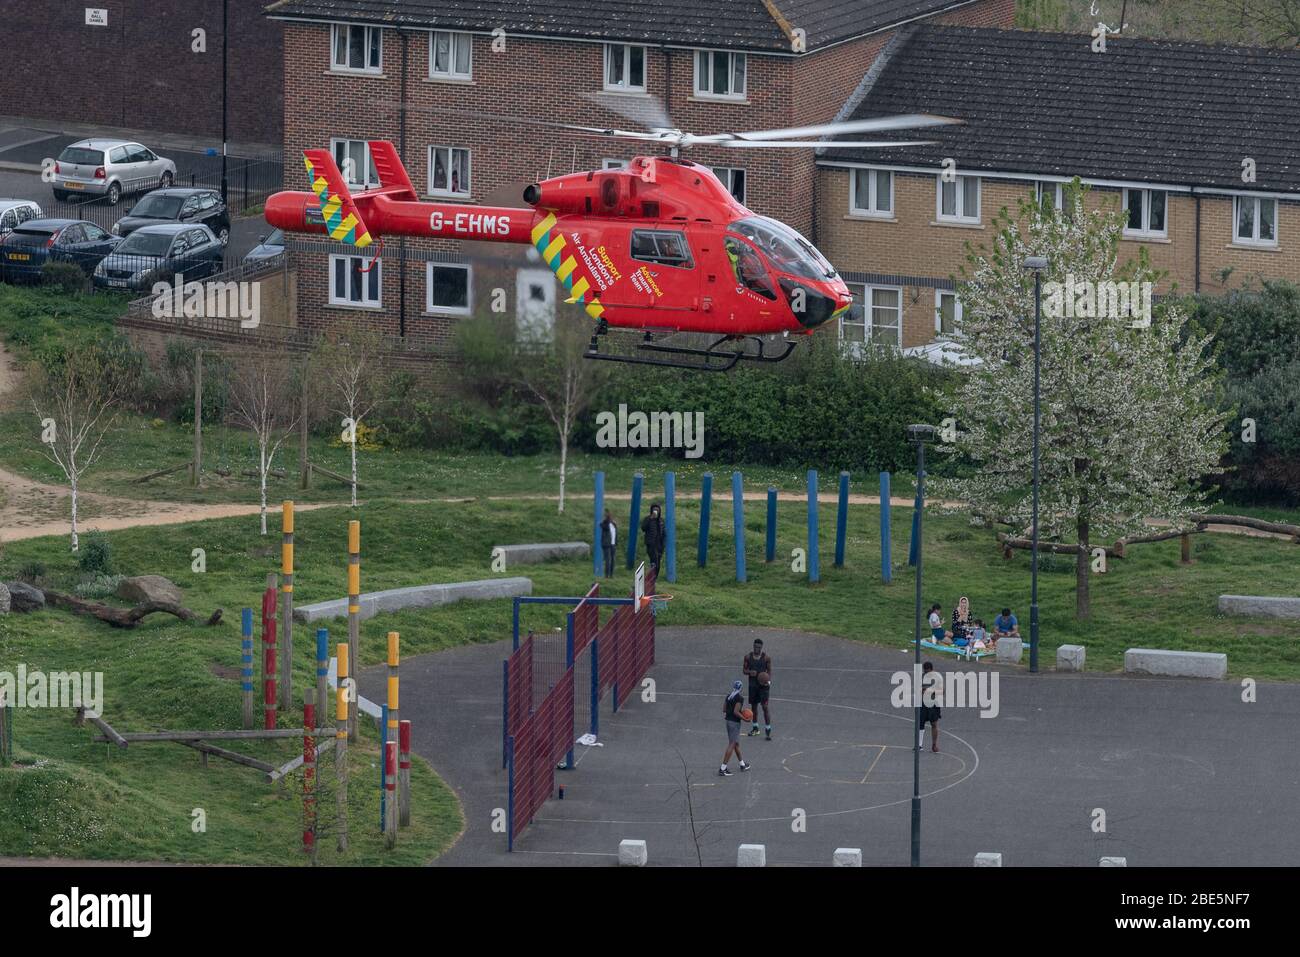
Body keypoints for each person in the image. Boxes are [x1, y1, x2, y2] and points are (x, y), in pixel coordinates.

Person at [742, 638, 773, 739]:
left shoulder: (766, 658)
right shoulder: (747, 657)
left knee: (765, 707)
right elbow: (744, 670)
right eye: (755, 647)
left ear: (761, 647)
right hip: (753, 686)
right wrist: (750, 672)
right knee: (754, 708)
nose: (756, 649)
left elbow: (769, 671)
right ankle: (755, 728)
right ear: (753, 646)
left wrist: (767, 680)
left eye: (759, 647)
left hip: (763, 687)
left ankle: (768, 730)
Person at [720, 679, 751, 776]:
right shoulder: (739, 698)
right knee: (732, 744)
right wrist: (745, 719)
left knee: (736, 744)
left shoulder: (729, 696)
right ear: (741, 688)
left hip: (728, 722)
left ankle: (742, 765)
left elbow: (724, 709)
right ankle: (723, 768)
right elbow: (736, 712)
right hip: (734, 723)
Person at [919, 661, 941, 753]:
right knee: (920, 723)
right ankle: (919, 745)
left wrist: (930, 692)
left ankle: (934, 744)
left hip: (934, 703)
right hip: (923, 703)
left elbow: (942, 691)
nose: (927, 673)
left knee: (934, 724)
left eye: (928, 672)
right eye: (925, 672)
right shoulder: (922, 676)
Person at [641, 503, 665, 575]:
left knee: (658, 562)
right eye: (654, 510)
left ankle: (654, 577)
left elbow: (663, 531)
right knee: (654, 561)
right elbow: (643, 528)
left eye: (657, 510)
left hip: (659, 544)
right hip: (651, 544)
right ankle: (652, 576)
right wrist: (650, 519)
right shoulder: (648, 519)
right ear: (651, 510)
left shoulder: (661, 520)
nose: (656, 511)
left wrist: (663, 543)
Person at [599, 509, 617, 578]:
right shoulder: (604, 524)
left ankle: (611, 575)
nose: (610, 517)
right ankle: (606, 575)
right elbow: (604, 525)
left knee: (613, 560)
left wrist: (616, 542)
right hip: (607, 544)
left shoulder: (614, 524)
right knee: (608, 560)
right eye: (608, 516)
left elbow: (615, 534)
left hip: (613, 544)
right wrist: (607, 520)